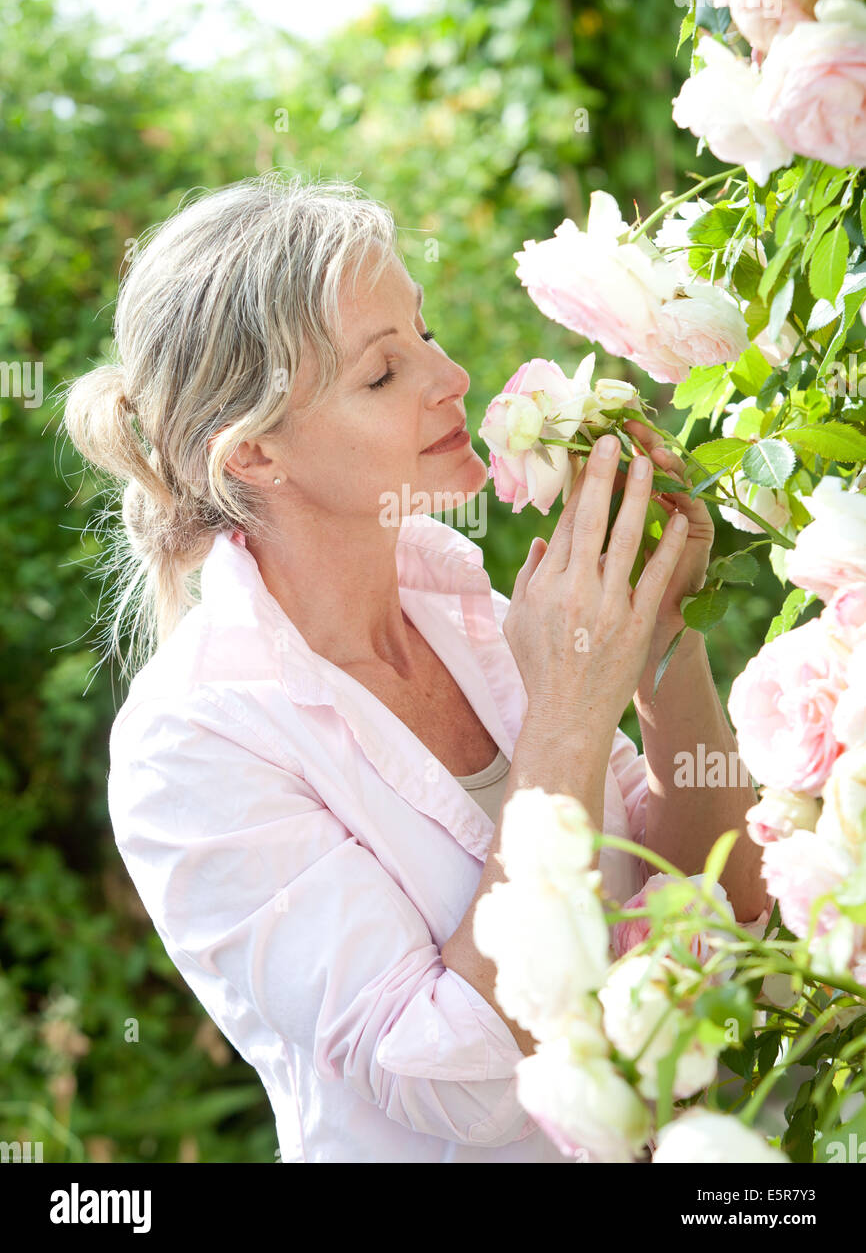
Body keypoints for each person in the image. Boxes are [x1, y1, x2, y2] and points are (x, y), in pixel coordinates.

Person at [61, 170, 769, 1164]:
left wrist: (657, 642)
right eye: (382, 373)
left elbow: (726, 902)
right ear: (257, 455)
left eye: (425, 334)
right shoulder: (192, 745)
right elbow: (469, 1082)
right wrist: (567, 711)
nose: (451, 379)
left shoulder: (464, 608)